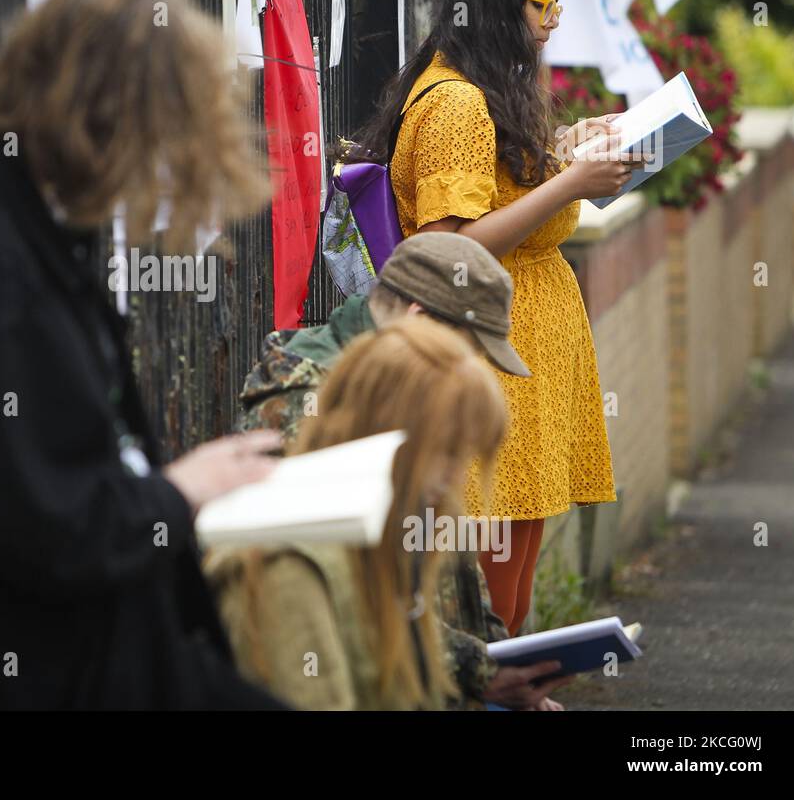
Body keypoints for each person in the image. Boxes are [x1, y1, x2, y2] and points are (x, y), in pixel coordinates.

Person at [0, 0, 285, 709]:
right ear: (105, 121)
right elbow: (36, 520)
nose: (163, 170)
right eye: (160, 138)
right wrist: (179, 494)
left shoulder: (33, 223)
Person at [357, 0, 637, 637]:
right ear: (492, 2)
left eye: (556, 5)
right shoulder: (455, 104)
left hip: (526, 354)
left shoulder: (487, 88)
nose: (551, 21)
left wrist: (561, 153)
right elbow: (448, 252)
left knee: (514, 563)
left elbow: (500, 189)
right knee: (488, 574)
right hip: (488, 356)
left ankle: (507, 681)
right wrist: (569, 183)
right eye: (539, 4)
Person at [236, 232, 565, 710]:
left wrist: (499, 661)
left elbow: (445, 561)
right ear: (420, 321)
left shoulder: (409, 387)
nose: (470, 368)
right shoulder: (309, 408)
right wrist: (476, 670)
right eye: (466, 350)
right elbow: (342, 590)